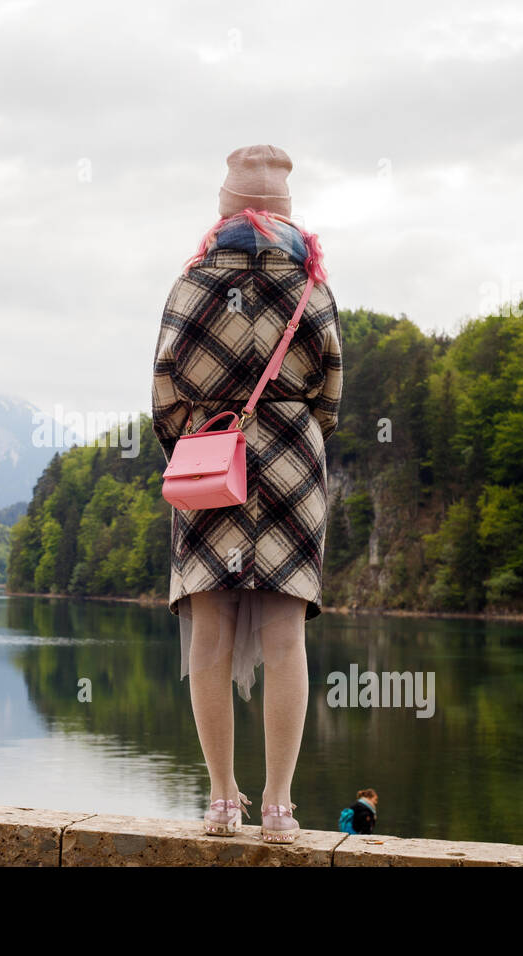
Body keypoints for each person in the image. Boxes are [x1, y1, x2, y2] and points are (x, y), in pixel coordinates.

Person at [151, 145, 343, 844]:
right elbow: (330, 393)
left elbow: (166, 393)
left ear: (226, 208)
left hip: (211, 455)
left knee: (210, 631)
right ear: (285, 215)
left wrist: (200, 439)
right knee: (285, 636)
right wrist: (293, 435)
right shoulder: (311, 285)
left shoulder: (193, 281)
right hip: (294, 461)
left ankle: (222, 800)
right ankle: (280, 806)